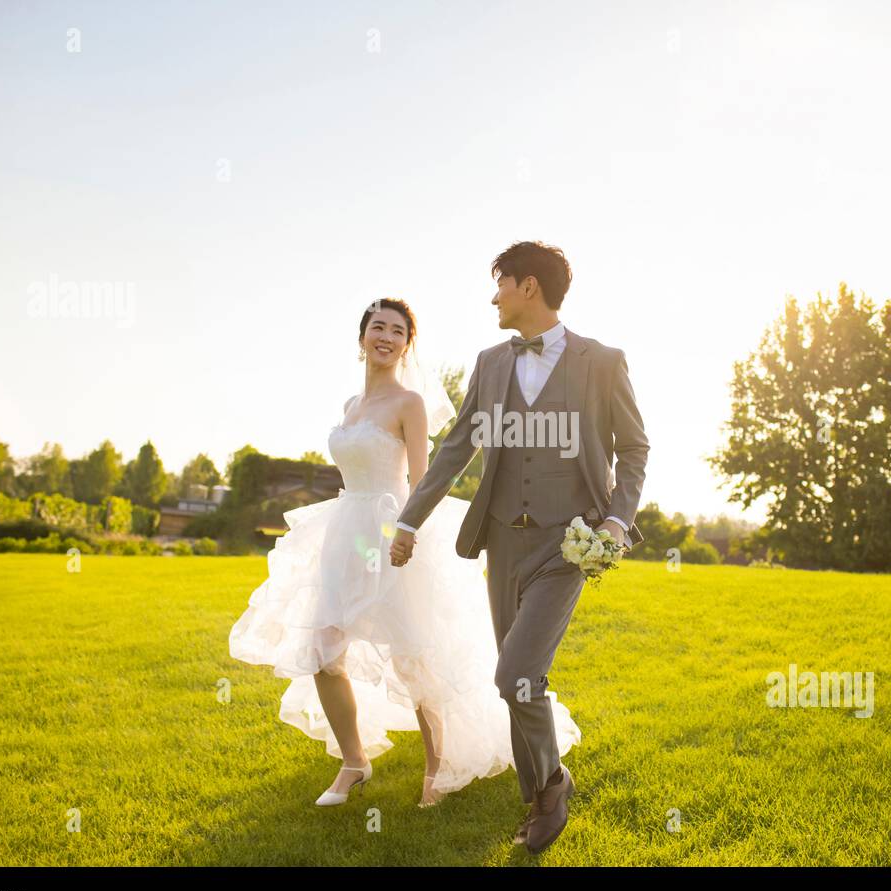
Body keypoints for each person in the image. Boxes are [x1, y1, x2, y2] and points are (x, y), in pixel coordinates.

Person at [228, 297, 580, 808]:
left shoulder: (409, 404)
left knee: (416, 657)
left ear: (407, 343)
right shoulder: (351, 405)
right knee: (324, 650)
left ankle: (437, 766)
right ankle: (354, 761)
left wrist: (410, 533)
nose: (386, 336)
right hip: (346, 532)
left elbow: (424, 478)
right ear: (363, 336)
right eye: (378, 326)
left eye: (397, 329)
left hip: (394, 533)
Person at [390, 241, 649, 853]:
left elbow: (634, 449)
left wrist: (616, 523)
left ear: (528, 287)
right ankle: (543, 788)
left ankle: (548, 788)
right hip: (503, 542)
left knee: (515, 675)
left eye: (501, 283)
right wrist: (408, 521)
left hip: (570, 543)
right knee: (520, 680)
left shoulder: (603, 362)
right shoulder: (489, 363)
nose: (494, 296)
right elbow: (456, 449)